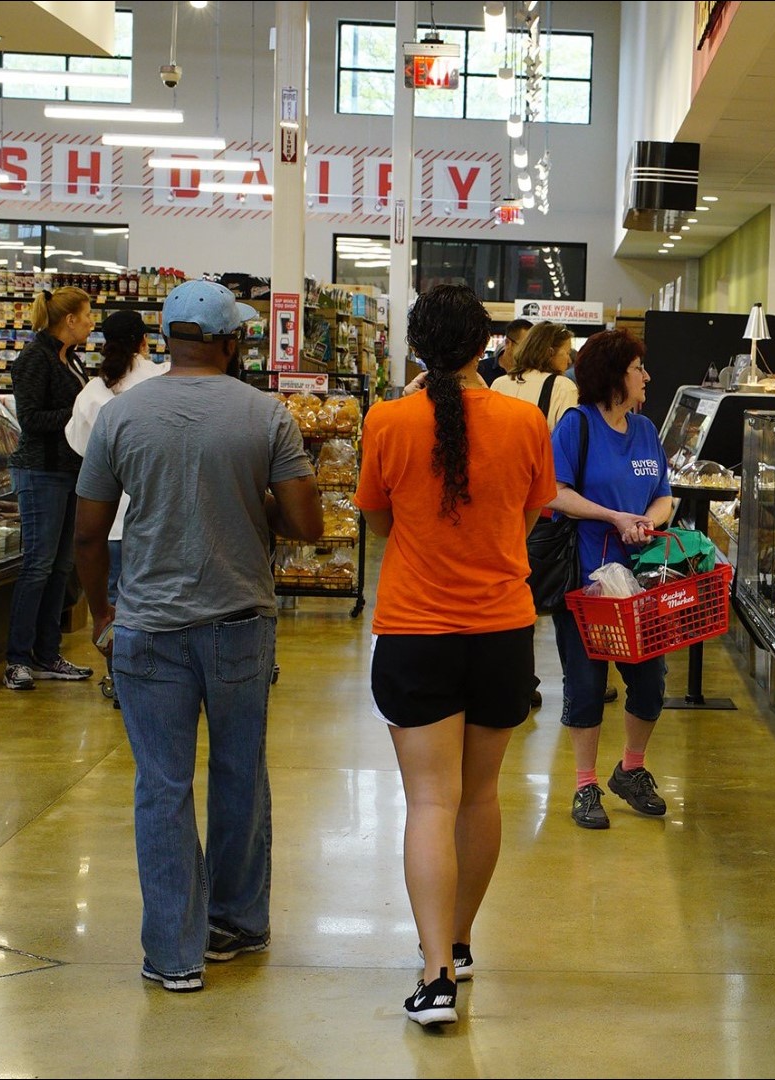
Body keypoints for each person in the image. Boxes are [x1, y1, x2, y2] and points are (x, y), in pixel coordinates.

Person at [71, 280, 321, 994]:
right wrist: (255, 497)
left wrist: (101, 617)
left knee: (162, 787)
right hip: (240, 624)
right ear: (230, 342)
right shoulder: (265, 414)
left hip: (147, 627)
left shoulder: (122, 415)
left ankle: (174, 955)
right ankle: (235, 923)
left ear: (171, 335)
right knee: (240, 772)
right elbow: (308, 525)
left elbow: (89, 532)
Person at [354, 284, 556, 1027]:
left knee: (430, 802)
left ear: (417, 347)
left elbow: (376, 520)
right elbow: (530, 513)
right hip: (503, 629)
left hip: (415, 633)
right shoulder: (524, 420)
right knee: (480, 796)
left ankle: (435, 973)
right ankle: (464, 941)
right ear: (485, 347)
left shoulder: (389, 420)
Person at [546, 331, 676, 830]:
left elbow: (663, 493)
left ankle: (631, 769)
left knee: (650, 681)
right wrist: (614, 516)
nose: (646, 377)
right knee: (585, 684)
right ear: (615, 374)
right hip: (586, 582)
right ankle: (584, 785)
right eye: (638, 368)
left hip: (640, 583)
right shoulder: (576, 427)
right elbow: (554, 492)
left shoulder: (645, 430)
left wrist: (648, 519)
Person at [4, 286, 98, 692]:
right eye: (88, 315)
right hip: (40, 472)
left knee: (61, 566)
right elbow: (31, 420)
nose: (93, 323)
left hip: (69, 472)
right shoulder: (34, 360)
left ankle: (47, 653)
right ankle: (16, 660)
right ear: (70, 320)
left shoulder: (70, 360)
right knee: (37, 565)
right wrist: (79, 411)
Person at [64, 310, 168, 607]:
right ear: (144, 342)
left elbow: (78, 444)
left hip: (109, 520)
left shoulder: (93, 392)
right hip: (159, 519)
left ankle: (117, 654)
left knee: (115, 609)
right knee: (157, 606)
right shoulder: (165, 380)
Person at [490, 320, 578, 427]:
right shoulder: (563, 387)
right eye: (567, 353)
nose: (569, 360)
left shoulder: (499, 383)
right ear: (550, 353)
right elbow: (567, 439)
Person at [476, 317, 534, 386]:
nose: (530, 351)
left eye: (533, 347)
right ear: (508, 343)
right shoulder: (481, 370)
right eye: (525, 346)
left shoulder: (533, 375)